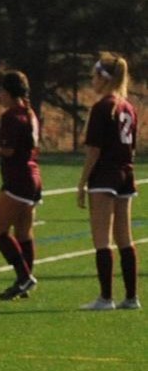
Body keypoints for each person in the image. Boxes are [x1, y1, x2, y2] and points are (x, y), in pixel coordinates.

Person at [80, 53, 138, 311]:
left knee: (102, 238)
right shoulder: (129, 107)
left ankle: (105, 298)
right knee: (125, 237)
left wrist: (82, 183)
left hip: (105, 174)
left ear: (104, 78)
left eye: (94, 76)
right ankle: (131, 297)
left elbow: (94, 151)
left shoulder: (103, 107)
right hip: (126, 173)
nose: (91, 81)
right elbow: (132, 149)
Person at [0, 70, 43, 301]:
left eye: (1, 91)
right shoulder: (30, 113)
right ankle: (24, 282)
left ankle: (24, 277)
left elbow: (9, 150)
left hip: (18, 179)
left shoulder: (12, 115)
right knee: (23, 233)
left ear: (8, 92)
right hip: (33, 176)